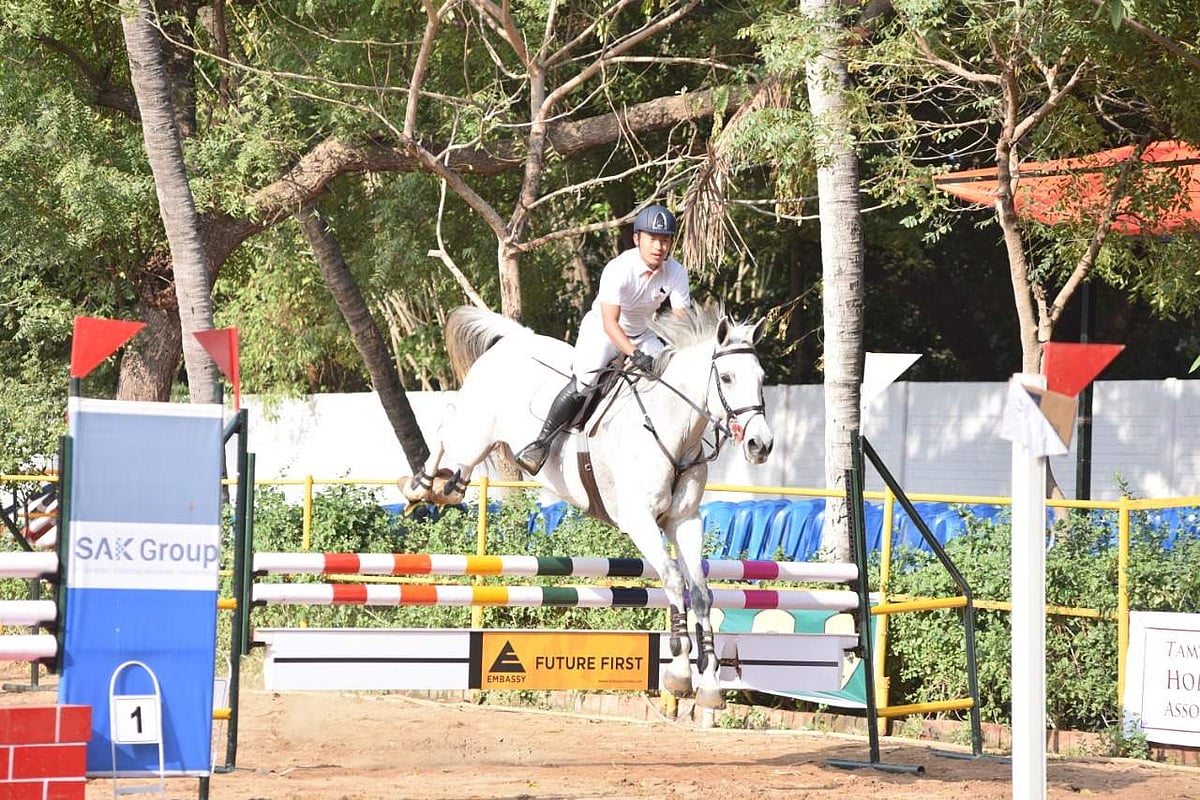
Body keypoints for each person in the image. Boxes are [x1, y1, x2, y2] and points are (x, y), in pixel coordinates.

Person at [514, 203, 692, 474]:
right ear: (637, 239)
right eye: (653, 239)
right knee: (585, 382)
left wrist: (674, 353)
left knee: (668, 377)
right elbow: (610, 323)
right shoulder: (619, 268)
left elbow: (681, 321)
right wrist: (633, 354)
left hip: (643, 333)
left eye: (665, 240)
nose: (659, 246)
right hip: (603, 330)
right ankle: (541, 443)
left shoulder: (677, 272)